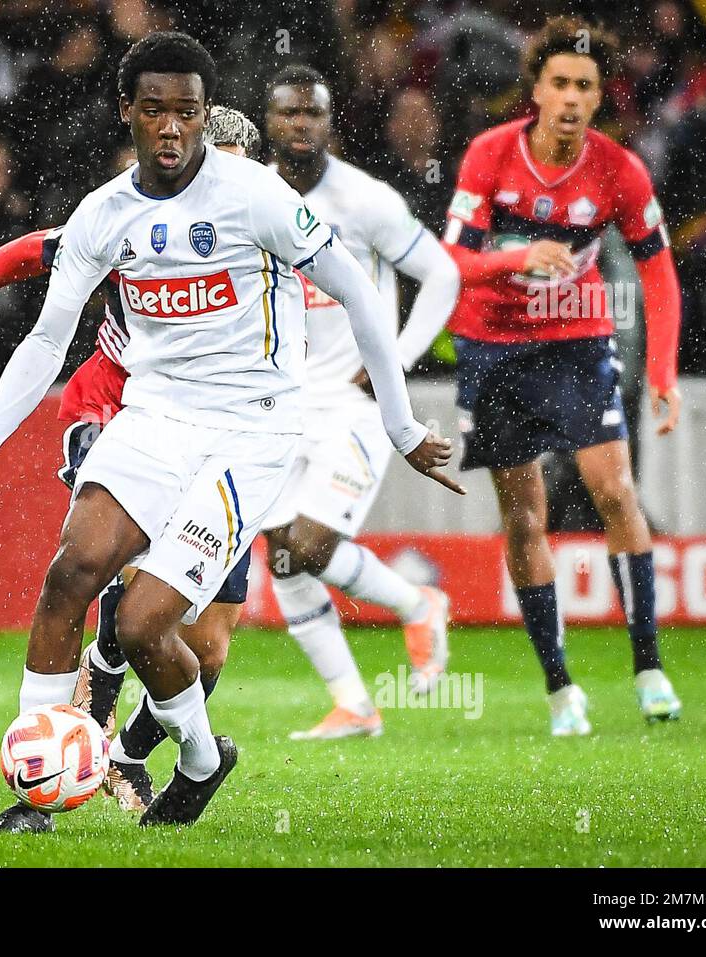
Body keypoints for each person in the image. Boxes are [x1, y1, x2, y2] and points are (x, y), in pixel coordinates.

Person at [0, 32, 456, 832]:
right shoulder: (105, 213)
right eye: (154, 110)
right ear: (128, 114)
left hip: (252, 432)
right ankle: (34, 797)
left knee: (146, 622)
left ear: (203, 114)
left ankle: (204, 761)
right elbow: (48, 337)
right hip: (155, 417)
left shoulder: (256, 198)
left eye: (186, 111)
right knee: (70, 574)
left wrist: (402, 424)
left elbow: (357, 291)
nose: (171, 127)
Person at [0, 106, 263, 815]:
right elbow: (34, 251)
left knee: (207, 648)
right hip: (116, 407)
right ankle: (60, 754)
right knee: (99, 571)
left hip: (228, 437)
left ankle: (128, 753)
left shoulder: (273, 233)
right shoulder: (144, 216)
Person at [441, 17, 683, 735]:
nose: (572, 98)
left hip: (578, 340)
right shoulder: (489, 156)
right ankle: (560, 687)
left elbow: (660, 274)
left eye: (586, 86)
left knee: (615, 488)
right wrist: (512, 259)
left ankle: (648, 667)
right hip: (494, 344)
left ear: (600, 97)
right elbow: (450, 258)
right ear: (536, 91)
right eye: (560, 84)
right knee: (524, 515)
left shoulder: (618, 169)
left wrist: (664, 370)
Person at [263, 64, 462, 740]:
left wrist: (396, 363)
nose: (299, 124)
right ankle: (354, 703)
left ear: (329, 124)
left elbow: (443, 272)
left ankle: (417, 601)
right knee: (283, 556)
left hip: (354, 407)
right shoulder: (249, 194)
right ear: (268, 121)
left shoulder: (364, 199)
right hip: (279, 405)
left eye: (311, 113)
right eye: (288, 112)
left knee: (312, 543)